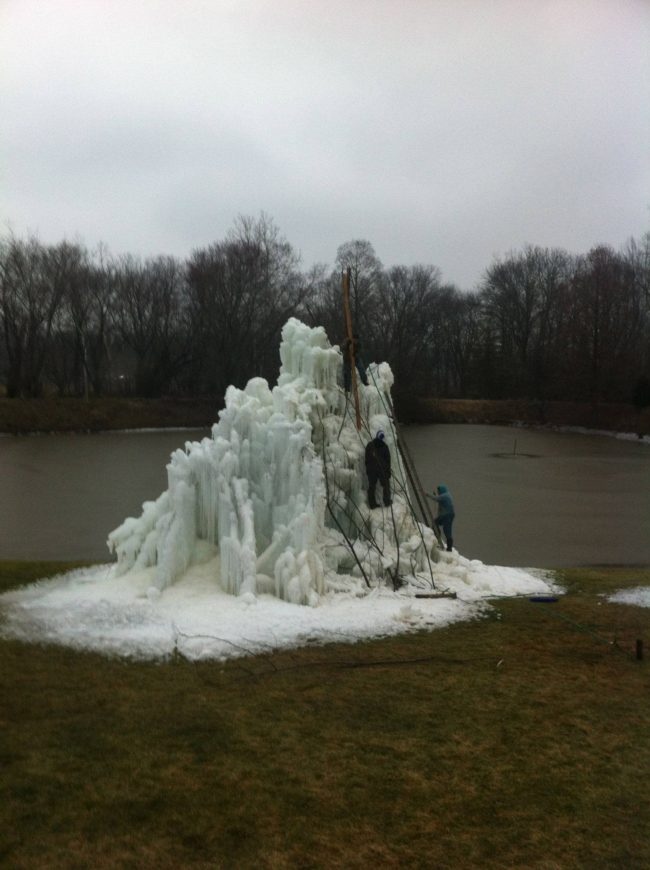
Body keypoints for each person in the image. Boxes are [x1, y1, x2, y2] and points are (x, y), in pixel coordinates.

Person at [365, 430, 392, 509]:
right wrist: (388, 471)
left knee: (372, 486)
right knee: (386, 484)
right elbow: (388, 461)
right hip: (381, 469)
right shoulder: (384, 446)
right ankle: (387, 501)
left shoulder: (370, 445)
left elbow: (366, 458)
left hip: (371, 469)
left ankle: (372, 504)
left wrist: (367, 468)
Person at [427, 484, 455, 551]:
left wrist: (427, 494)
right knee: (437, 524)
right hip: (448, 515)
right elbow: (439, 498)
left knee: (447, 530)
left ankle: (448, 547)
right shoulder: (447, 495)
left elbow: (437, 498)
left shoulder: (445, 496)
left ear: (441, 490)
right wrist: (435, 495)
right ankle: (438, 537)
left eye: (439, 491)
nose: (438, 492)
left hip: (446, 515)